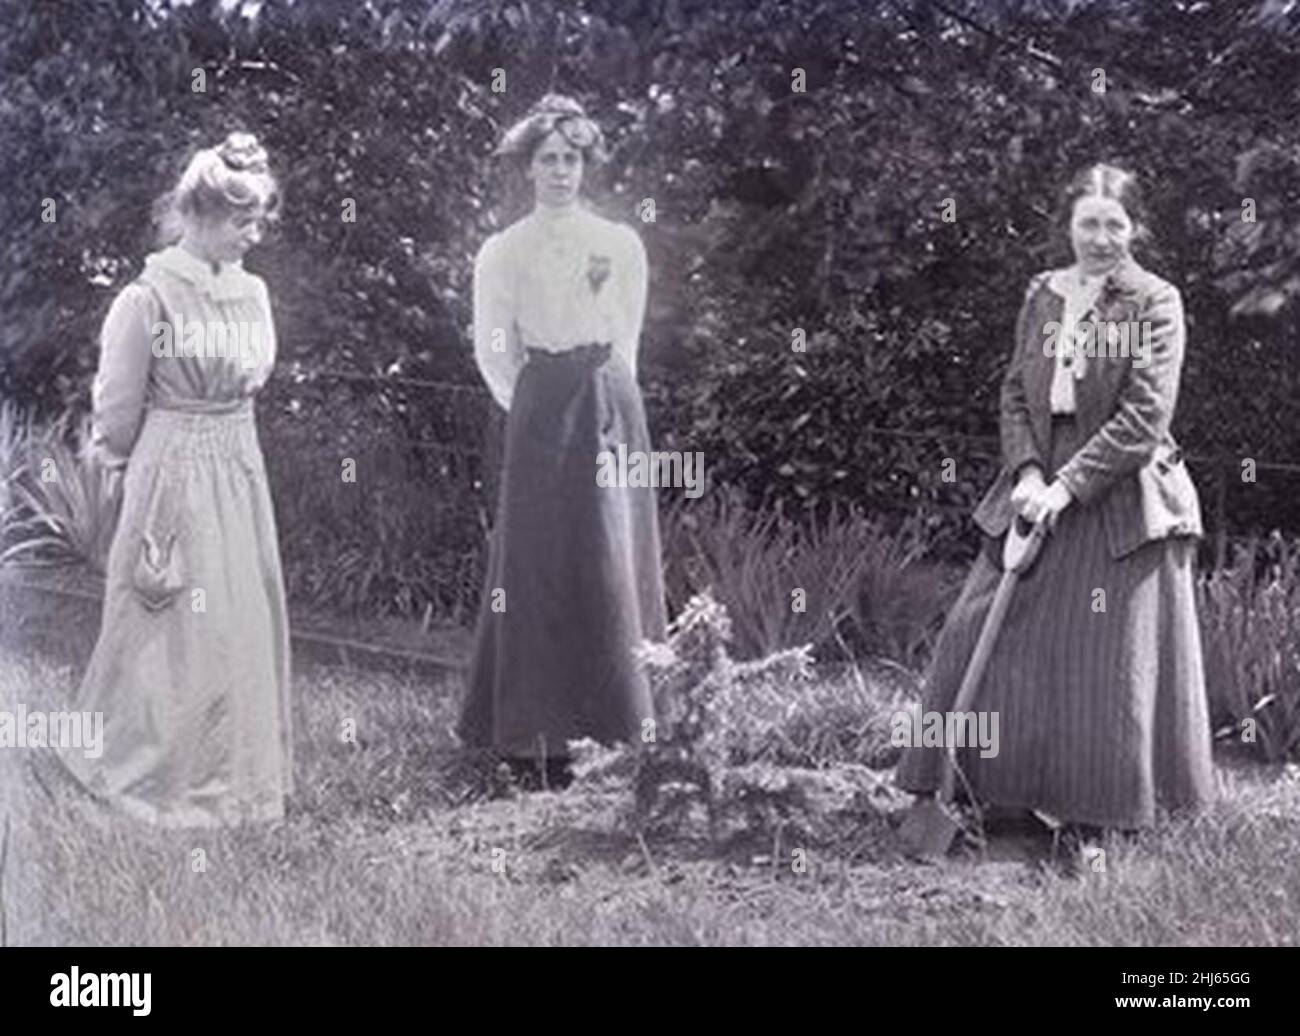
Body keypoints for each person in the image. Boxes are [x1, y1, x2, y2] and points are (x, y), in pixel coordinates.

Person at [896, 163, 1216, 848]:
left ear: (1136, 229)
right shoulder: (1042, 293)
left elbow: (1143, 417)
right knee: (977, 634)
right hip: (1034, 479)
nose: (1100, 238)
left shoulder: (1154, 301)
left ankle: (1093, 823)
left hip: (1120, 496)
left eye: (1114, 225)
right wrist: (1027, 473)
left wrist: (1066, 487)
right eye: (1088, 224)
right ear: (1067, 226)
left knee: (1101, 659)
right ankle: (994, 794)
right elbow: (1015, 390)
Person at [56, 131, 293, 826]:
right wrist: (128, 467)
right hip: (172, 469)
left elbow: (258, 373)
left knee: (235, 617)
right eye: (237, 220)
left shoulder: (253, 292)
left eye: (257, 221)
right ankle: (155, 772)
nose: (250, 235)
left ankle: (236, 779)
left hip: (237, 464)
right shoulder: (148, 297)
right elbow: (119, 404)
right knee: (171, 615)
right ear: (195, 214)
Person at [457, 94, 668, 788]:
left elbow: (628, 333)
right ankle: (532, 736)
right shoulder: (504, 252)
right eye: (547, 160)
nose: (559, 172)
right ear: (528, 168)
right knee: (539, 562)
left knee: (610, 556)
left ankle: (617, 725)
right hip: (542, 404)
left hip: (608, 399)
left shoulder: (618, 243)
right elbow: (493, 346)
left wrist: (610, 401)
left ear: (586, 165)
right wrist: (534, 405)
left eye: (571, 159)